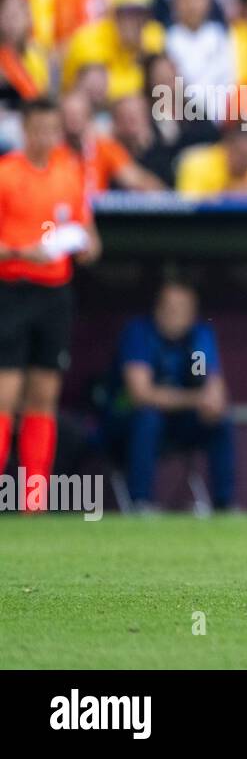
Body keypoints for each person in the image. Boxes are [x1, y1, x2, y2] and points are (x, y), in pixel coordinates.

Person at [0, 99, 102, 508]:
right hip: (12, 291)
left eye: (52, 129)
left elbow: (88, 233)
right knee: (5, 394)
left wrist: (85, 245)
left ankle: (33, 500)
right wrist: (23, 252)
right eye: (38, 129)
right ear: (25, 130)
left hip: (55, 295)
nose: (46, 138)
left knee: (43, 395)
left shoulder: (71, 170)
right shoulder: (6, 173)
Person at [103, 279, 235, 510]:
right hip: (126, 424)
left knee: (220, 421)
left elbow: (211, 384)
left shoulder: (197, 339)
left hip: (179, 424)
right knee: (149, 417)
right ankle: (141, 501)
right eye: (169, 308)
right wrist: (195, 399)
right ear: (157, 308)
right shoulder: (140, 333)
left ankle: (225, 504)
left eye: (182, 309)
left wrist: (212, 401)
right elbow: (140, 394)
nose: (174, 315)